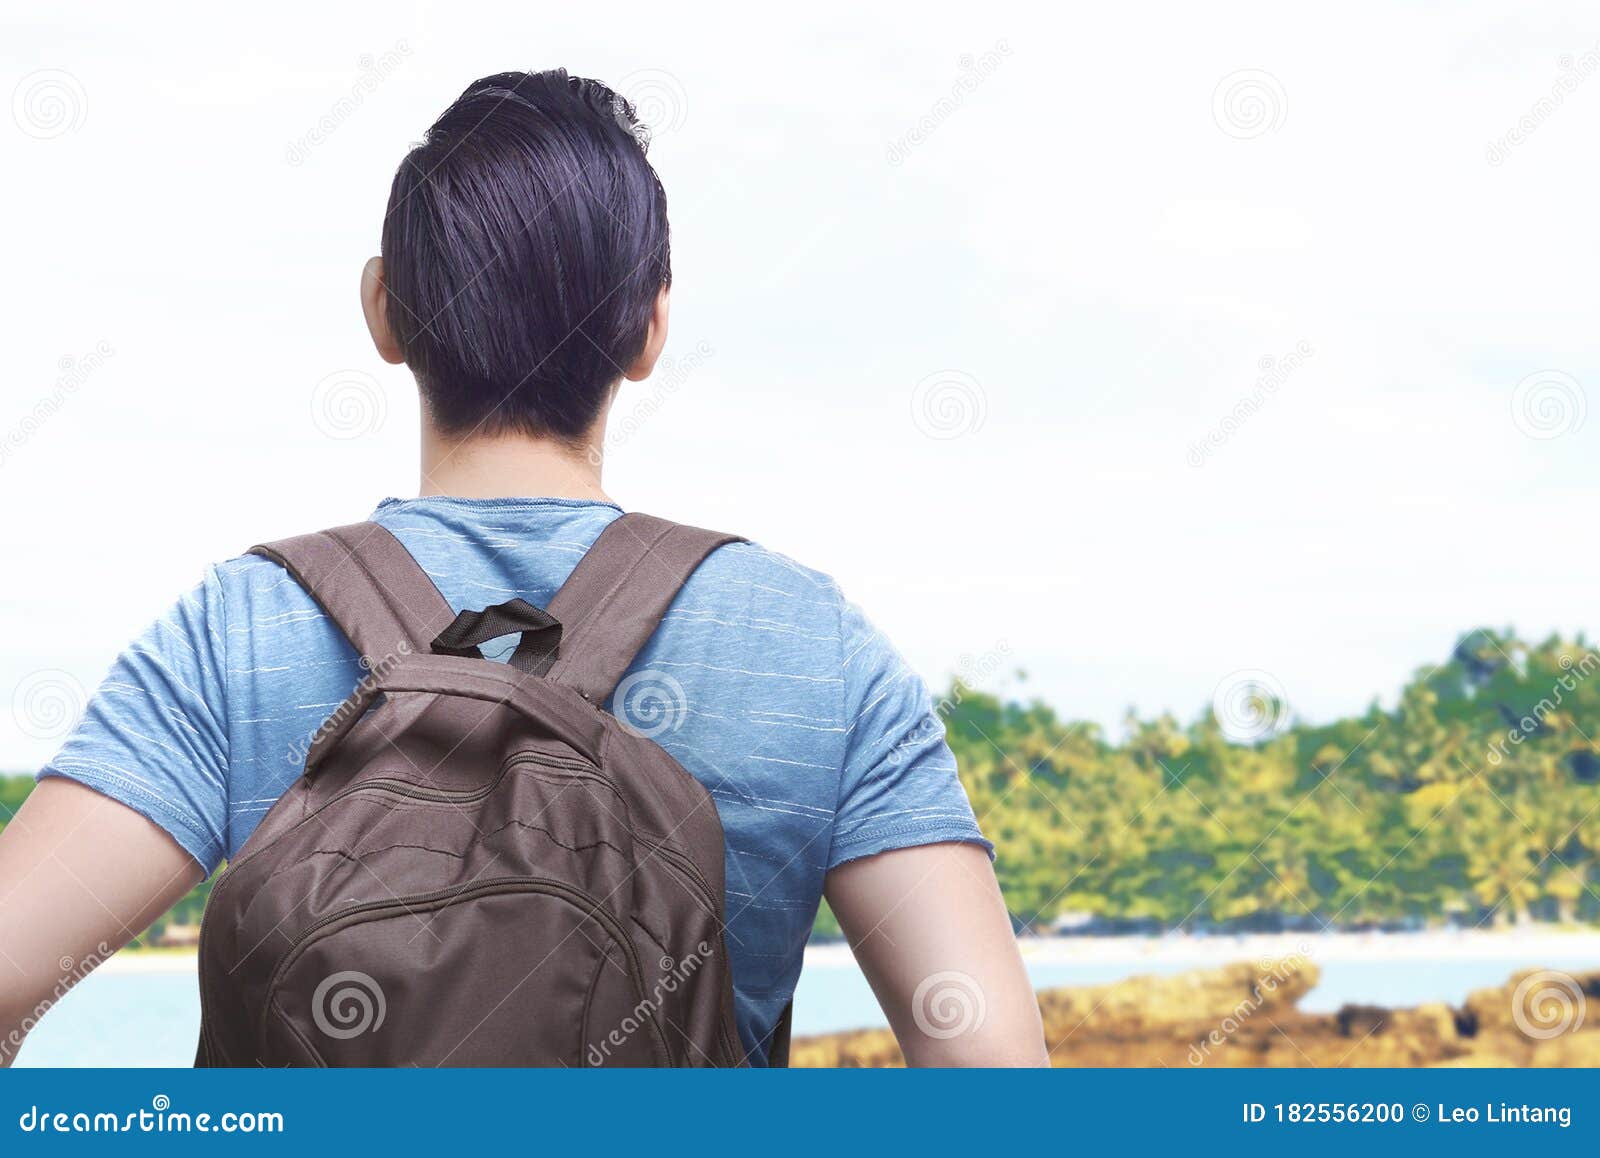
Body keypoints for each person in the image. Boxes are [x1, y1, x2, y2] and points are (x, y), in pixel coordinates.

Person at [0, 70, 1046, 1067]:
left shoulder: (238, 628)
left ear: (384, 314)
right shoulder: (811, 644)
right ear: (649, 328)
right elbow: (988, 1064)